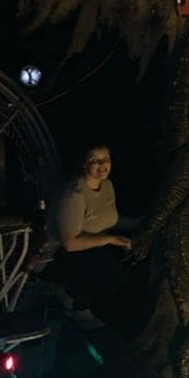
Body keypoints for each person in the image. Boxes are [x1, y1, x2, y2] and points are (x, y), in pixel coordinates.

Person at [51, 141, 132, 329]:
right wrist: (110, 239)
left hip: (94, 247)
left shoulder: (107, 185)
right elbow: (69, 243)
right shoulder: (73, 193)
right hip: (59, 255)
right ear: (84, 164)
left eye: (106, 159)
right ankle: (77, 308)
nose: (102, 165)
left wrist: (141, 224)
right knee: (108, 267)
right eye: (95, 160)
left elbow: (108, 220)